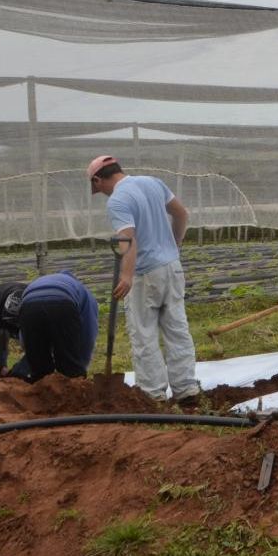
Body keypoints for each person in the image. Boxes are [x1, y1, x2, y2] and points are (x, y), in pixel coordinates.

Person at [87, 156, 199, 402]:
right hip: (172, 267)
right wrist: (175, 245)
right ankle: (186, 389)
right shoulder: (152, 182)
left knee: (144, 333)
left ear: (98, 179)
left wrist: (126, 275)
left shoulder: (118, 200)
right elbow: (181, 213)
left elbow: (127, 238)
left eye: (98, 188)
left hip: (145, 273)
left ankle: (152, 393)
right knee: (177, 328)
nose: (102, 194)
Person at [13, 272, 98, 381]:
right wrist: (81, 365)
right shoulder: (83, 290)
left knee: (40, 369)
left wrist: (31, 350)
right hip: (62, 304)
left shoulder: (40, 282)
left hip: (28, 307)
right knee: (70, 368)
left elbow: (24, 332)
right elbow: (88, 331)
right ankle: (74, 386)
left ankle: (42, 390)